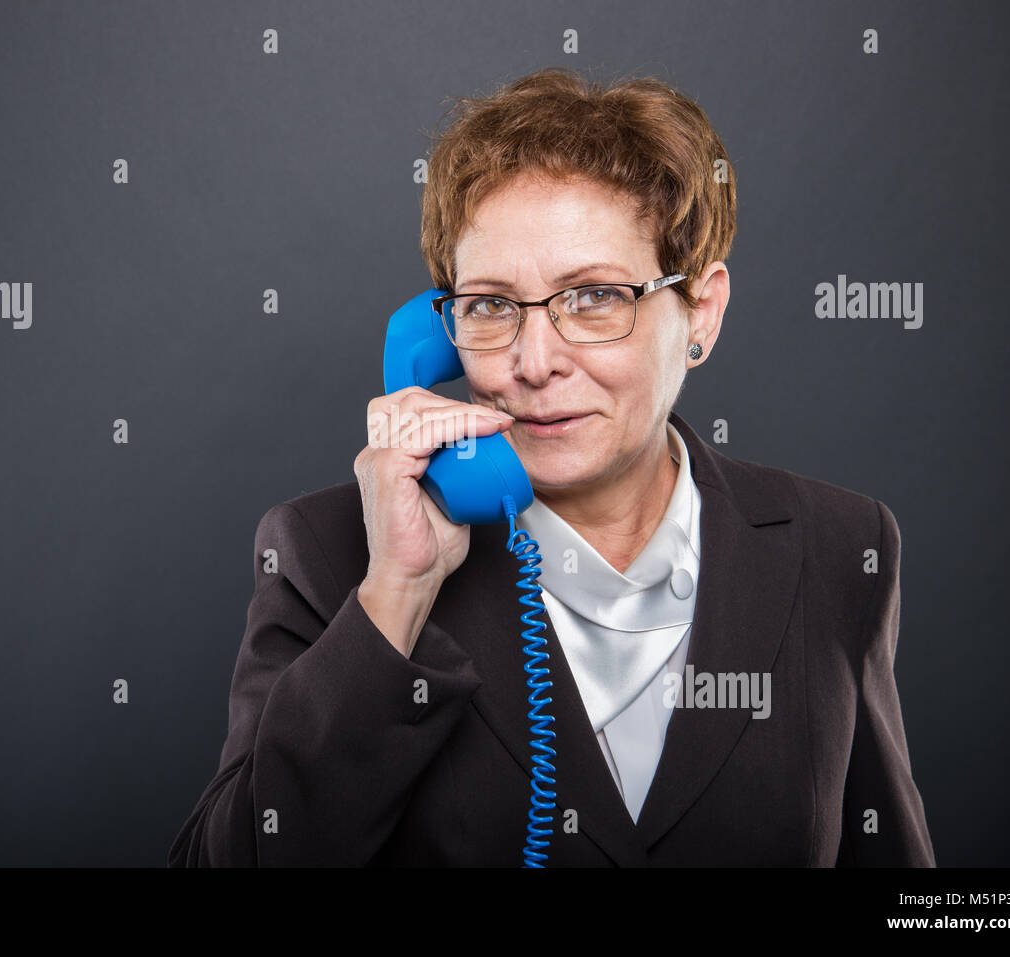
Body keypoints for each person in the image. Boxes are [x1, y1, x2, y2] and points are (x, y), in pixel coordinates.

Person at [167, 67, 935, 867]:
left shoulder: (840, 544)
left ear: (700, 312)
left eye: (595, 296)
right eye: (492, 306)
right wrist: (398, 594)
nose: (534, 363)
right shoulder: (327, 555)